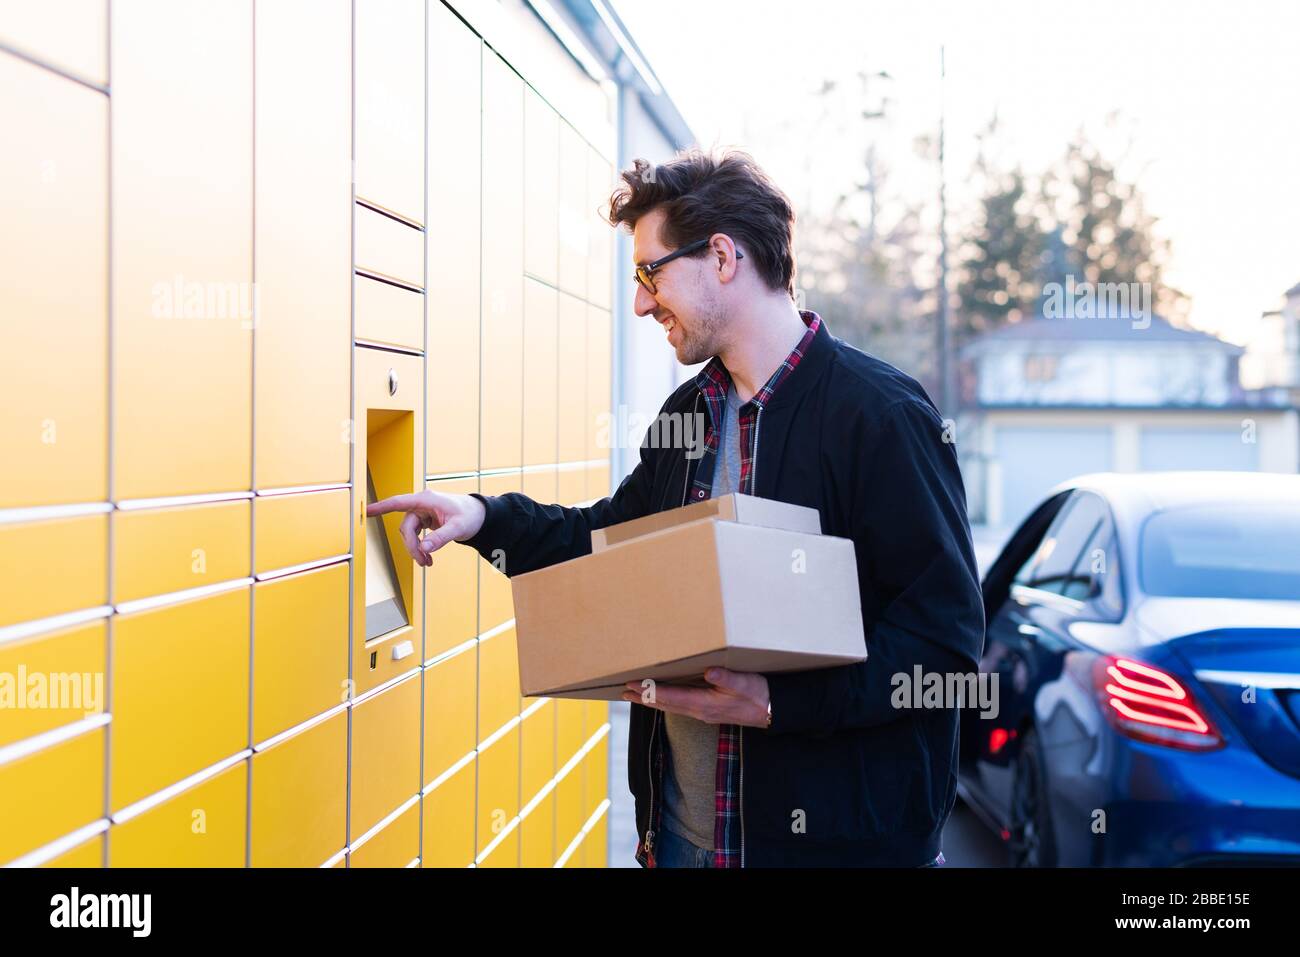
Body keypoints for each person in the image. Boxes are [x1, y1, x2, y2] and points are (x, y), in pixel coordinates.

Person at [368, 148, 985, 867]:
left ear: (722, 255)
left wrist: (780, 703)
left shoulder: (880, 416)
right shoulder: (687, 417)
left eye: (649, 272)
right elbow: (609, 544)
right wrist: (484, 518)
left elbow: (945, 645)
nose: (640, 302)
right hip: (687, 845)